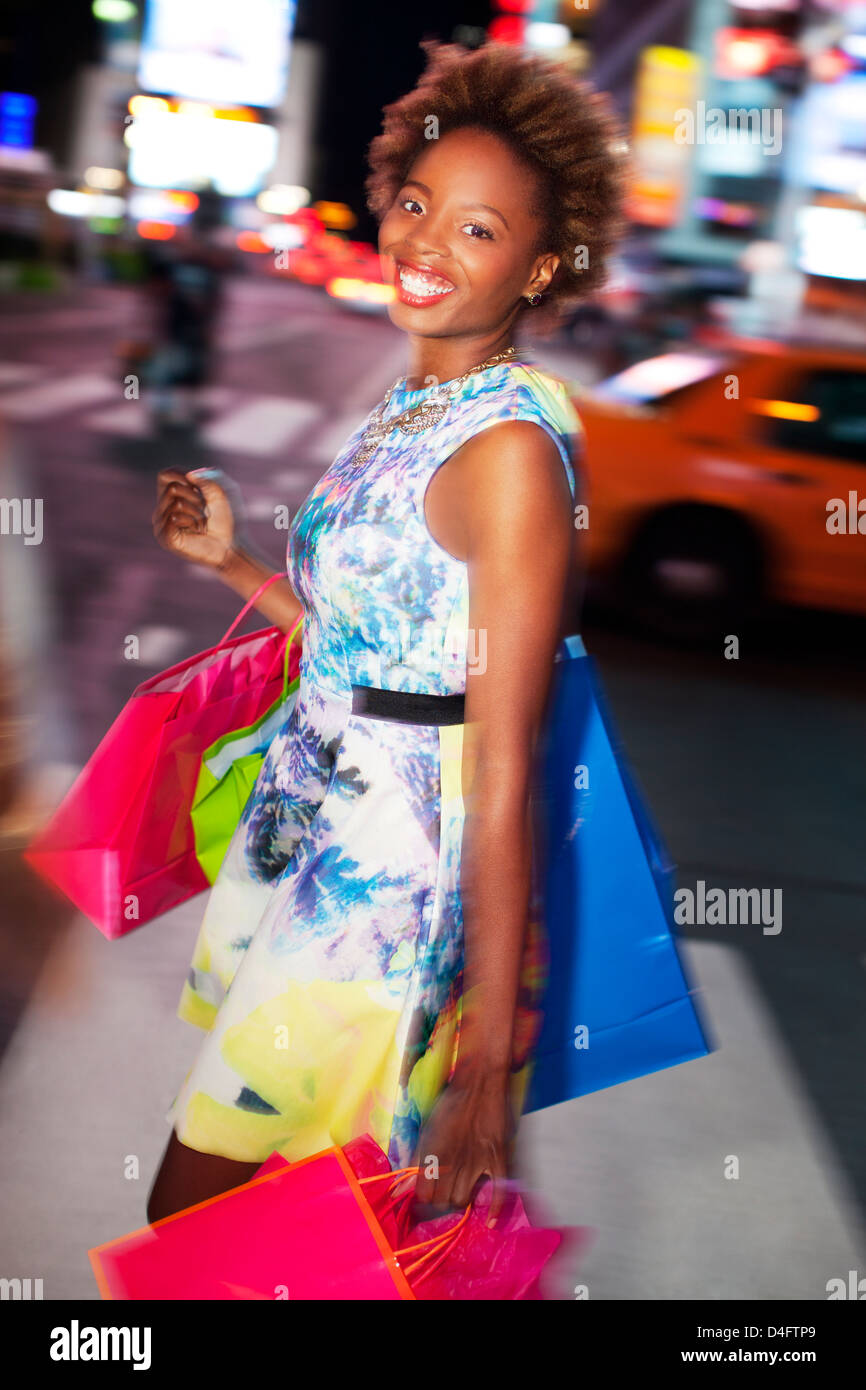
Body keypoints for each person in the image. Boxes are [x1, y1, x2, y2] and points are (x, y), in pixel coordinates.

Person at [147, 39, 625, 1228]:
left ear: (539, 263)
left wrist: (479, 1068)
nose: (422, 241)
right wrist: (233, 563)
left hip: (387, 880)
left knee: (194, 1216)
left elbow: (502, 755)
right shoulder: (420, 405)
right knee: (291, 1224)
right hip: (317, 819)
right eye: (417, 204)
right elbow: (365, 654)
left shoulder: (507, 451)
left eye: (476, 229)